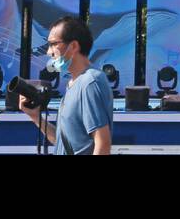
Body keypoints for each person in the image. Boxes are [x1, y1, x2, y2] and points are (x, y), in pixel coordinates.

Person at [20, 16, 112, 155]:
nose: (48, 52)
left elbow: (102, 144)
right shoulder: (74, 83)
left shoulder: (90, 82)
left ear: (74, 46)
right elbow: (63, 143)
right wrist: (35, 117)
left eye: (53, 44)